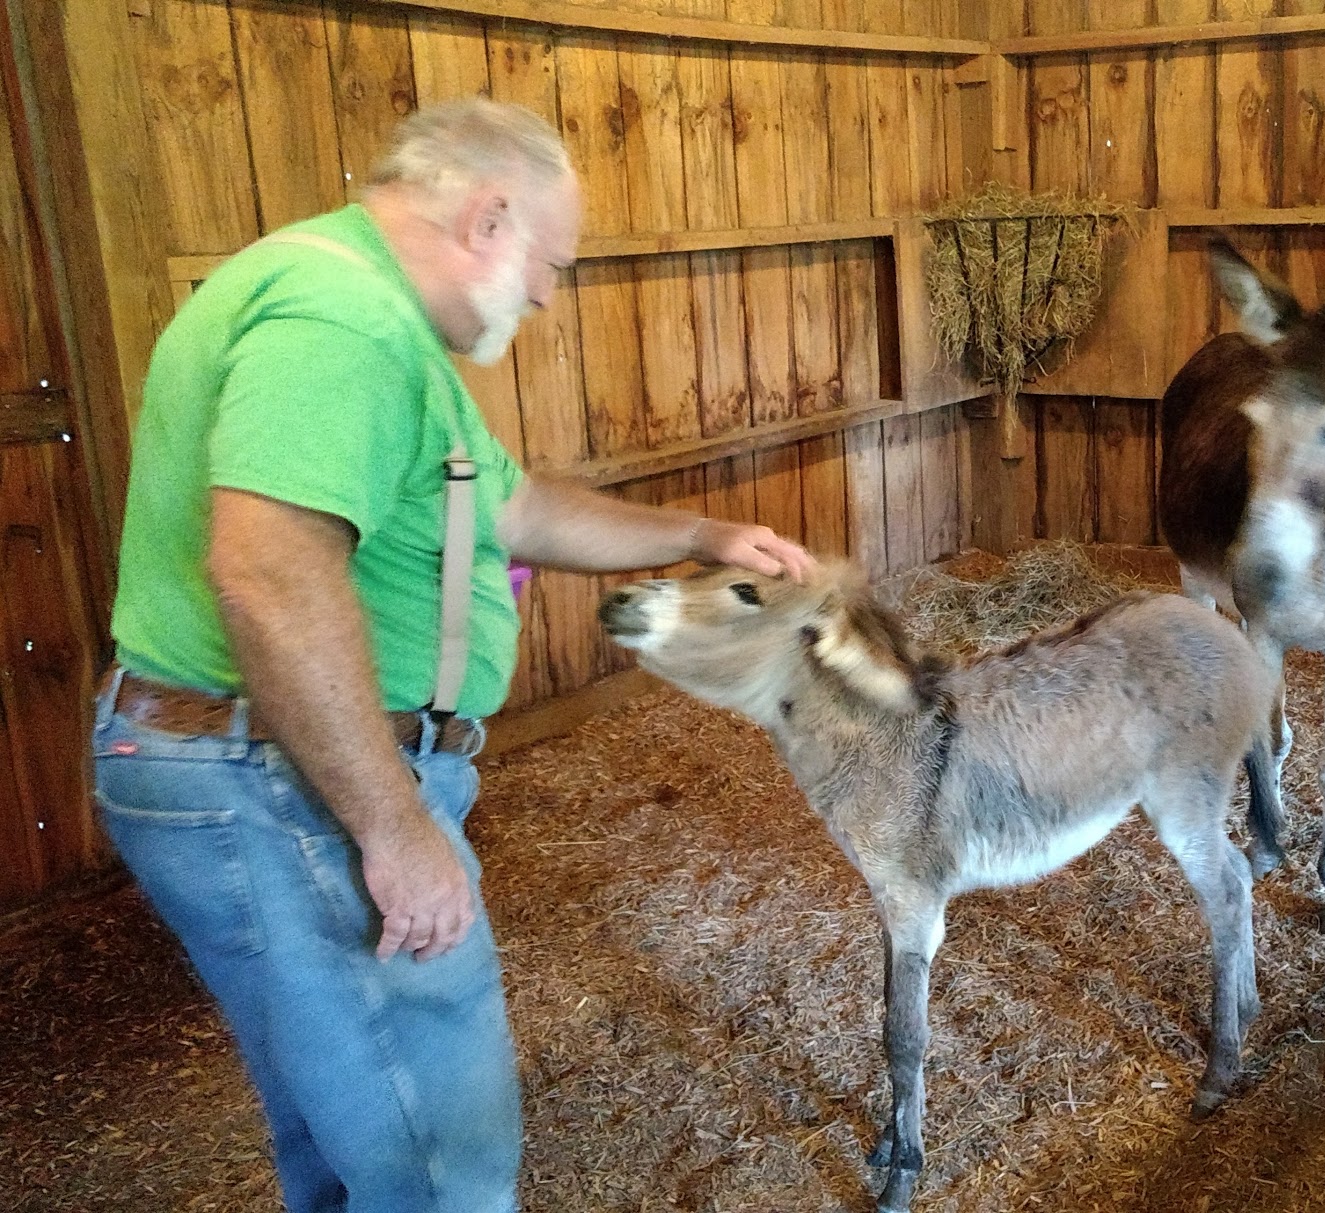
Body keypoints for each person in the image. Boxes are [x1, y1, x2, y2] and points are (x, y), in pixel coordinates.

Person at [91, 98, 814, 1213]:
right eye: (549, 262)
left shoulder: (363, 316)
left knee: (351, 1124)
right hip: (287, 779)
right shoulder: (341, 323)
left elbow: (515, 509)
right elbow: (269, 571)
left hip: (262, 766)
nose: (543, 293)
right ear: (488, 217)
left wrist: (698, 535)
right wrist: (394, 828)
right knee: (436, 1159)